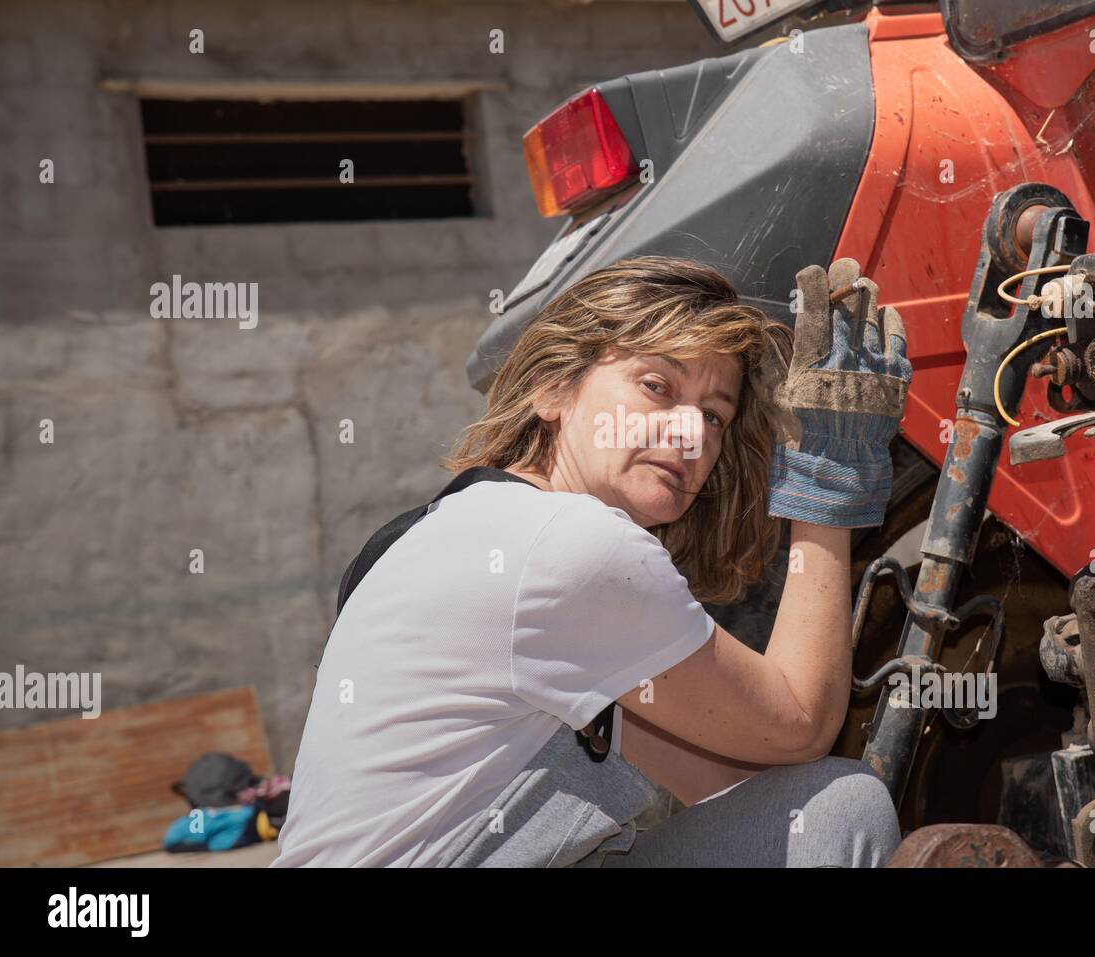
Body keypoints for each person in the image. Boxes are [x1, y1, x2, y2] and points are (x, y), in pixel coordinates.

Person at [273, 255, 911, 867]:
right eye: (657, 386)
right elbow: (797, 724)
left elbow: (734, 782)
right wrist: (828, 493)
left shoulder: (446, 533)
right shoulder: (570, 545)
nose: (691, 435)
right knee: (846, 807)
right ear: (552, 388)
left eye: (715, 417)